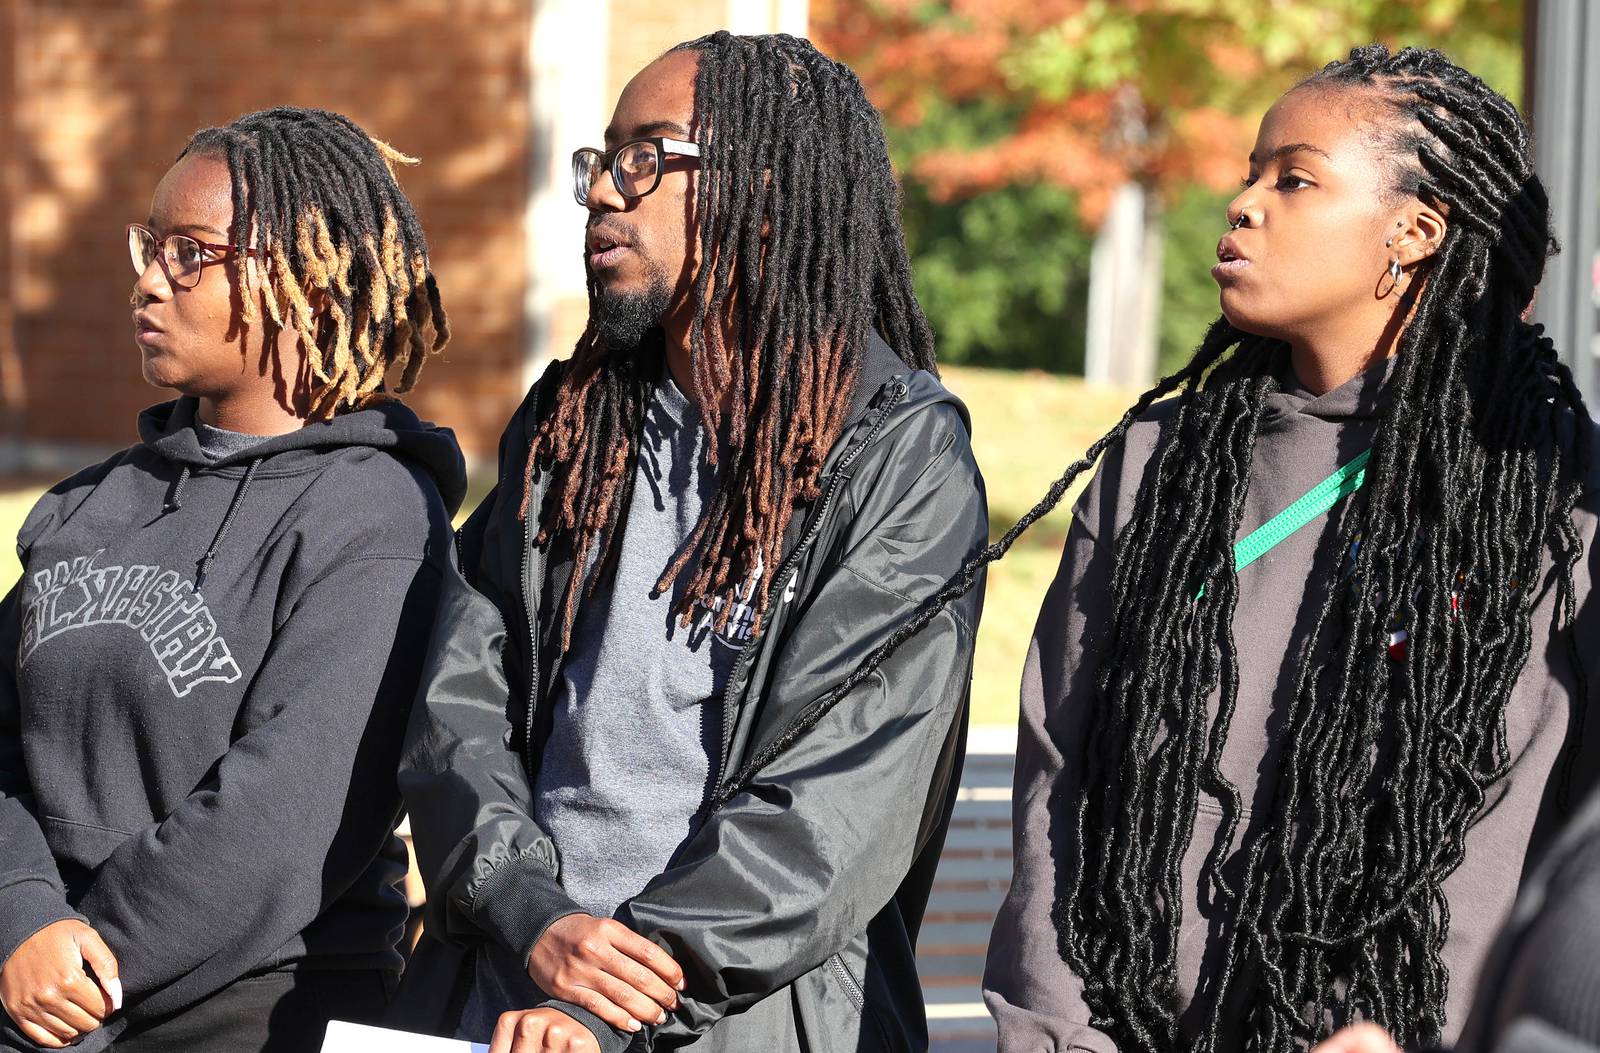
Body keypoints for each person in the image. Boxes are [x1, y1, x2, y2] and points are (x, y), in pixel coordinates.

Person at [977, 44, 1600, 1053]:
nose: (1243, 205)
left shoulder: (1554, 500)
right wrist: (1053, 1035)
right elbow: (1061, 778)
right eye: (1248, 174)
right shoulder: (1160, 469)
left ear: (1413, 230)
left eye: (1293, 179)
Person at [395, 30, 988, 1053]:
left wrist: (602, 999)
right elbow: (459, 693)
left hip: (738, 1020)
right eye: (600, 159)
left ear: (760, 189)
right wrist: (526, 911)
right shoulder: (572, 423)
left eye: (644, 158)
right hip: (505, 991)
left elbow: (831, 811)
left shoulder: (896, 458)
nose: (602, 193)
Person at [0, 107, 464, 1052]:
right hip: (35, 991)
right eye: (148, 245)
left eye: (189, 254)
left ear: (304, 278)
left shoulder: (374, 513)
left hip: (257, 1014)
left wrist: (89, 970)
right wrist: (19, 913)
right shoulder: (88, 506)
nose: (146, 279)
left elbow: (286, 816)